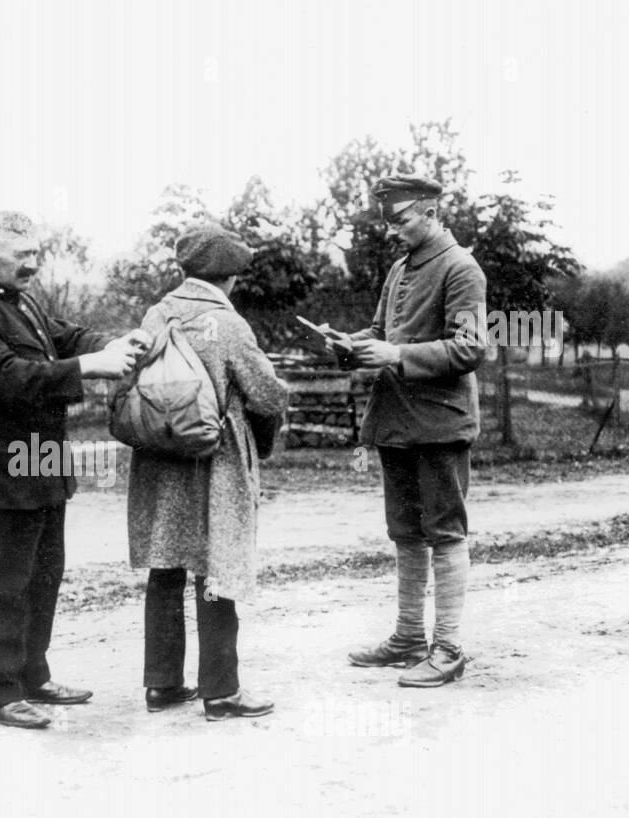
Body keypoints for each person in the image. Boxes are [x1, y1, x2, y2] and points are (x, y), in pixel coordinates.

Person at [0, 211, 140, 729]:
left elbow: (63, 336)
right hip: (5, 464)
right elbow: (8, 379)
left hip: (43, 458)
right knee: (8, 579)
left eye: (35, 253)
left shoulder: (23, 300)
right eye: (22, 255)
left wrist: (115, 344)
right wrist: (88, 368)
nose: (34, 264)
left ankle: (34, 675)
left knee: (46, 572)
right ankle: (1, 694)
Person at [320, 174, 486, 688]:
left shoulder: (461, 268)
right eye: (389, 221)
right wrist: (350, 344)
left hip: (438, 424)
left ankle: (450, 647)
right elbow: (380, 332)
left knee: (444, 533)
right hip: (395, 423)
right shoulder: (399, 268)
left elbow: (469, 350)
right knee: (406, 534)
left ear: (432, 213)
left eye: (402, 219)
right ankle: (410, 637)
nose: (393, 230)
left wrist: (394, 355)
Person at [127, 223, 288, 721]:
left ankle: (162, 684)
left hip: (160, 457)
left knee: (166, 563)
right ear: (231, 277)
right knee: (218, 565)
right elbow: (266, 395)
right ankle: (221, 691)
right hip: (214, 458)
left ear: (184, 269)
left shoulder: (156, 314)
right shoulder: (229, 324)